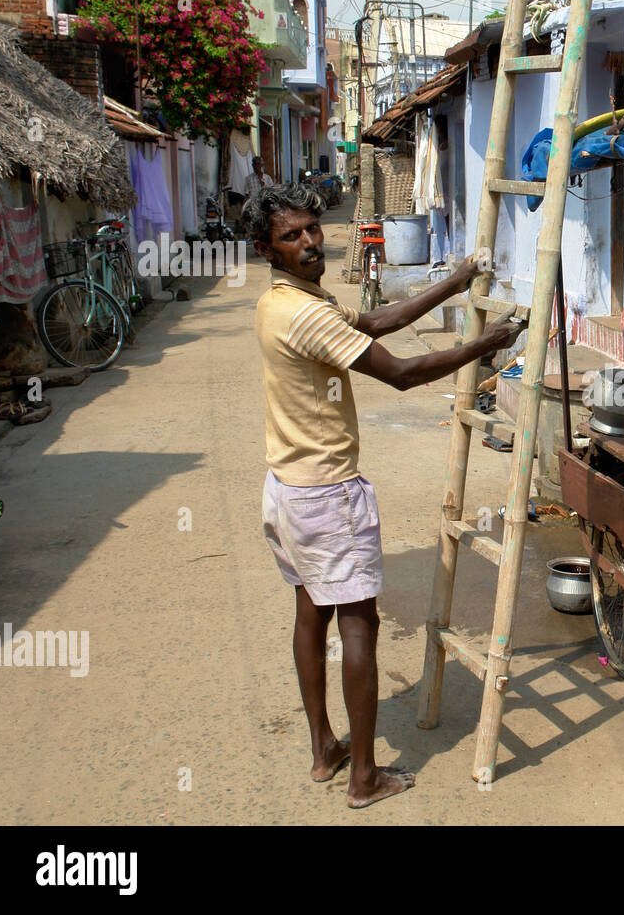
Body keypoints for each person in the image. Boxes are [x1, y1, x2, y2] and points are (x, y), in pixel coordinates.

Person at [242, 183, 524, 809]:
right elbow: (398, 372)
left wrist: (455, 282)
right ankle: (364, 776)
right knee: (360, 623)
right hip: (326, 494)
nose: (311, 241)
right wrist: (484, 346)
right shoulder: (303, 313)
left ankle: (325, 751)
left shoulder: (282, 300)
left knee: (309, 612)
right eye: (293, 236)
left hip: (288, 488)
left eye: (313, 228)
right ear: (268, 248)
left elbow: (371, 323)